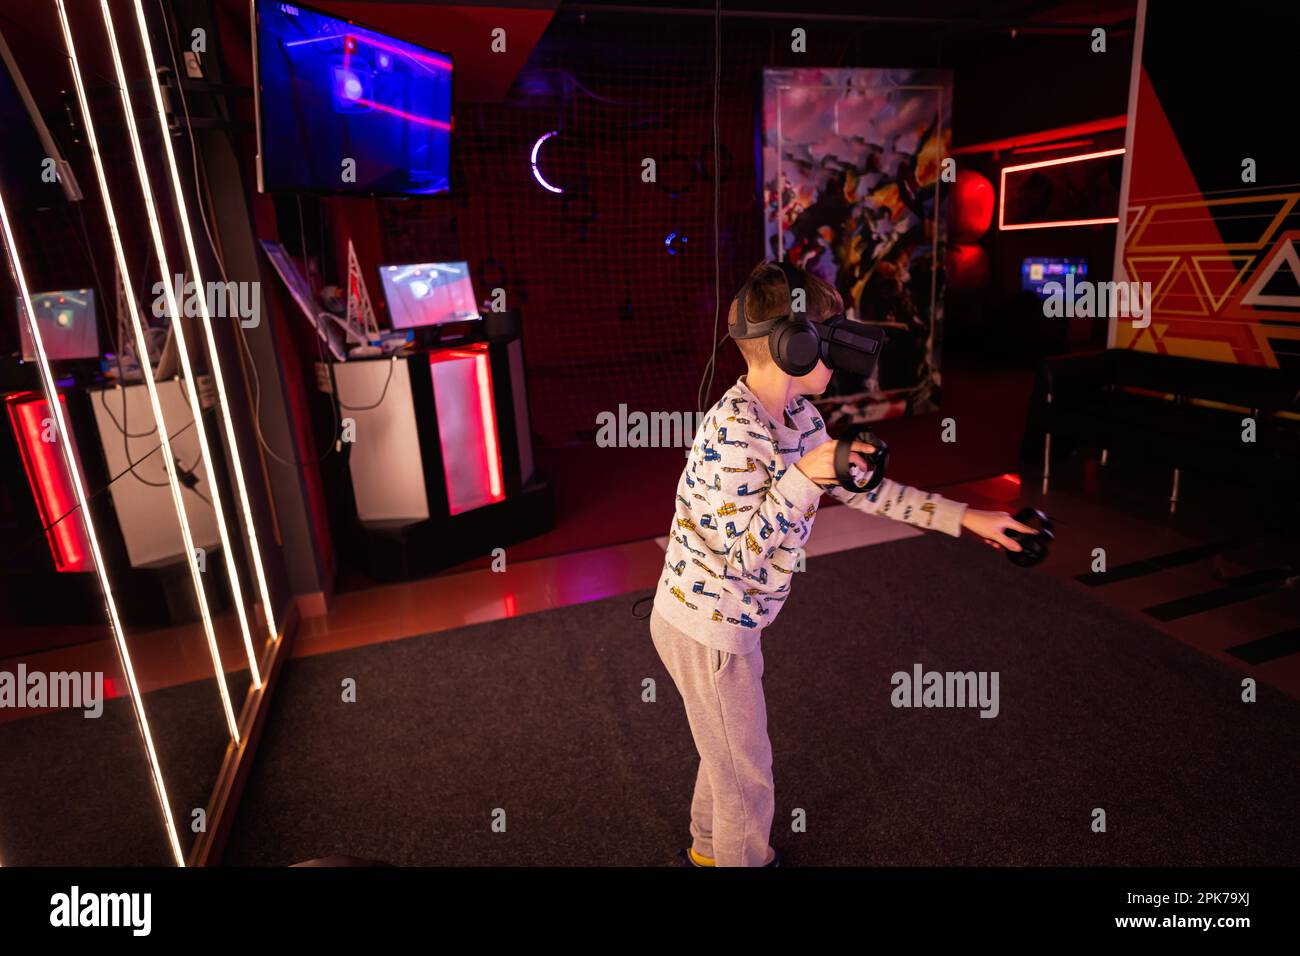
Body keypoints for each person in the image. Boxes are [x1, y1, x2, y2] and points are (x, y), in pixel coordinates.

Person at [649, 260, 1034, 867]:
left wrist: (969, 518)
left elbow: (868, 490)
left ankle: (705, 851)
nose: (847, 354)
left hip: (725, 620)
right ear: (795, 347)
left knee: (725, 749)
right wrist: (806, 477)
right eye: (832, 339)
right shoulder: (736, 433)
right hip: (707, 627)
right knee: (746, 778)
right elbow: (744, 560)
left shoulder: (800, 417)